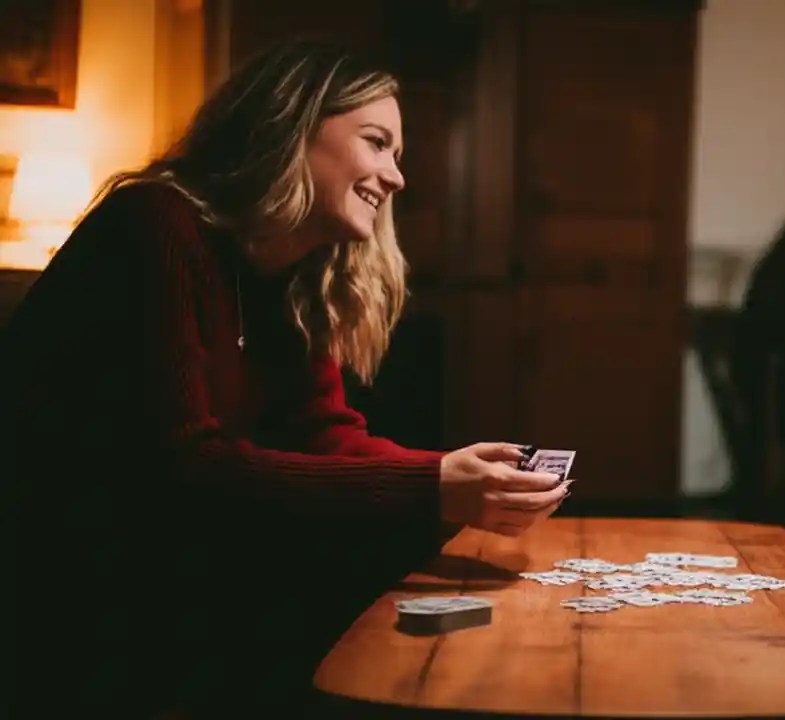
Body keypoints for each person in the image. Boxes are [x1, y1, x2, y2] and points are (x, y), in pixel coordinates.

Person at [0, 40, 569, 716]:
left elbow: (321, 433)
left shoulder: (295, 272)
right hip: (63, 582)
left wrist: (453, 471)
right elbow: (186, 469)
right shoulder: (155, 224)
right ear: (293, 125)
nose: (397, 178)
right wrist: (432, 486)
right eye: (376, 143)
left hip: (171, 573)